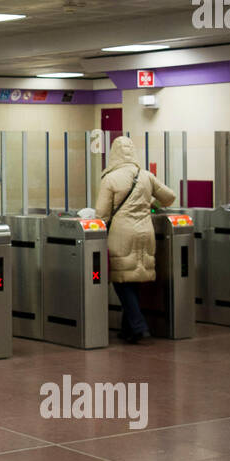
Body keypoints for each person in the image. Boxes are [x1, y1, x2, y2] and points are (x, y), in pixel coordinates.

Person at [94, 136, 176, 344]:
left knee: (122, 282)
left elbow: (102, 215)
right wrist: (150, 203)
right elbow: (169, 197)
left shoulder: (110, 179)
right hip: (146, 231)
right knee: (134, 278)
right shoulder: (146, 175)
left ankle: (139, 326)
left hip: (122, 233)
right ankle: (128, 329)